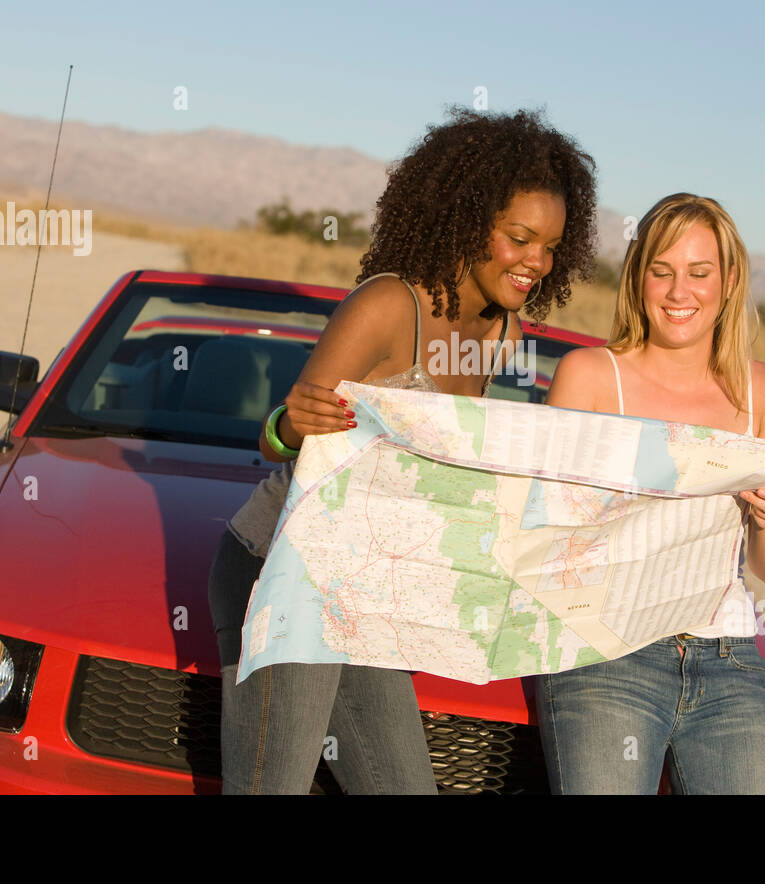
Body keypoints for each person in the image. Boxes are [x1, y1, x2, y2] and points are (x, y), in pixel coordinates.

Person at [208, 106, 598, 794]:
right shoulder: (387, 306)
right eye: (520, 237)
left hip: (365, 586)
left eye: (551, 246)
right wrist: (288, 424)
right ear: (467, 217)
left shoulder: (502, 331)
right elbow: (279, 437)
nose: (537, 261)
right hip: (284, 568)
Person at [535, 192, 765, 794]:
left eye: (699, 273)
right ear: (638, 279)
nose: (680, 292)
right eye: (662, 271)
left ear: (729, 281)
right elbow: (544, 535)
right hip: (605, 651)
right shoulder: (590, 376)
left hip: (728, 657)